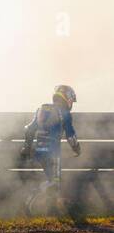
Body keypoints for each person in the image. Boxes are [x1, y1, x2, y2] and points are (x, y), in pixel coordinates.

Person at [21, 84, 81, 216]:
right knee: (54, 183)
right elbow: (70, 135)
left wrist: (26, 147)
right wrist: (77, 148)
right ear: (67, 98)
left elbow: (29, 130)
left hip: (39, 153)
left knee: (51, 181)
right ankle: (31, 197)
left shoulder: (41, 109)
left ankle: (52, 210)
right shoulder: (64, 113)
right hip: (54, 154)